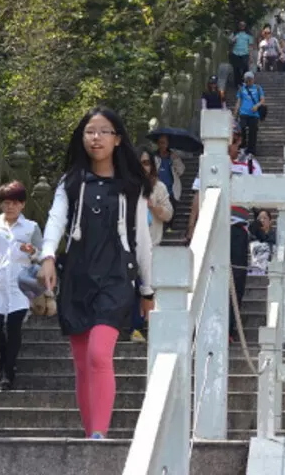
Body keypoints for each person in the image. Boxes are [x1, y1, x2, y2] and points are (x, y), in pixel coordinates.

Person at [37, 108, 154, 440]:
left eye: (104, 131)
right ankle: (91, 435)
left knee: (98, 353)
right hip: (77, 276)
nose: (96, 137)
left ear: (117, 139)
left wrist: (147, 289)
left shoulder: (133, 186)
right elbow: (56, 219)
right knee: (81, 362)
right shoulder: (71, 182)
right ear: (82, 137)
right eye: (90, 131)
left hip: (117, 277)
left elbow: (141, 239)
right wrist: (47, 255)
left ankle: (99, 435)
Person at [187, 125, 263, 340]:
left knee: (236, 278)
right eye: (228, 139)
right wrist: (191, 228)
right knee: (205, 276)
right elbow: (196, 195)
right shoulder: (207, 164)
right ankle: (203, 327)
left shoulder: (249, 164)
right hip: (210, 227)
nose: (232, 143)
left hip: (237, 228)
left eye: (235, 138)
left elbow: (260, 194)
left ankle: (228, 329)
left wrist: (263, 214)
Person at [0, 180, 43, 390]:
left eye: (14, 202)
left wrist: (32, 252)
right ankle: (6, 356)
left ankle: (8, 374)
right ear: (0, 205)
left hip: (21, 285)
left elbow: (42, 257)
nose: (10, 206)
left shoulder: (31, 227)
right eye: (6, 202)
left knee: (14, 328)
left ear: (22, 204)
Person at [132, 147, 174, 341]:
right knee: (135, 286)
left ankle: (149, 326)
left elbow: (169, 213)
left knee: (150, 287)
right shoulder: (128, 186)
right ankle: (135, 326)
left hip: (153, 244)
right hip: (131, 245)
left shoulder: (159, 188)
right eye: (140, 162)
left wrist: (153, 206)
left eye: (147, 163)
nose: (144, 167)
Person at [154, 134, 185, 219]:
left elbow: (181, 171)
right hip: (157, 189)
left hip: (171, 190)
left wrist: (175, 160)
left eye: (164, 143)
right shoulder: (153, 156)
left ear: (168, 144)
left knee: (171, 213)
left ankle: (170, 227)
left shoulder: (173, 156)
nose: (162, 145)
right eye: (160, 142)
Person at [236, 71, 266, 156]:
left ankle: (251, 149)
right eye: (247, 79)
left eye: (250, 79)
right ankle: (243, 146)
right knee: (242, 129)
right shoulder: (241, 89)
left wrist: (257, 105)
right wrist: (235, 113)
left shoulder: (257, 88)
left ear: (253, 79)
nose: (248, 81)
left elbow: (263, 100)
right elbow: (238, 101)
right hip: (243, 112)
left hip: (254, 114)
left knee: (253, 131)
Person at [230, 21, 253, 88]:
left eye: (243, 25)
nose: (242, 26)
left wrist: (251, 57)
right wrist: (233, 40)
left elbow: (250, 46)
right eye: (240, 25)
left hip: (245, 53)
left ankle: (245, 83)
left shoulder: (248, 35)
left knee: (245, 68)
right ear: (238, 26)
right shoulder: (234, 33)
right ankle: (237, 84)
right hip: (235, 53)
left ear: (245, 26)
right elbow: (230, 42)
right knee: (236, 69)